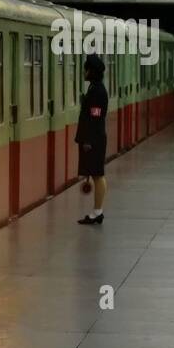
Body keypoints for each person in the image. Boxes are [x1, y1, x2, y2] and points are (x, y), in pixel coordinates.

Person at [75, 53, 109, 224]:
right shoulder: (95, 88)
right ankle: (97, 211)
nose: (84, 72)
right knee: (96, 174)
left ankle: (97, 212)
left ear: (91, 72)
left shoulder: (96, 91)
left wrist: (88, 140)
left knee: (98, 174)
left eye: (86, 69)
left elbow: (95, 116)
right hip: (94, 137)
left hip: (94, 139)